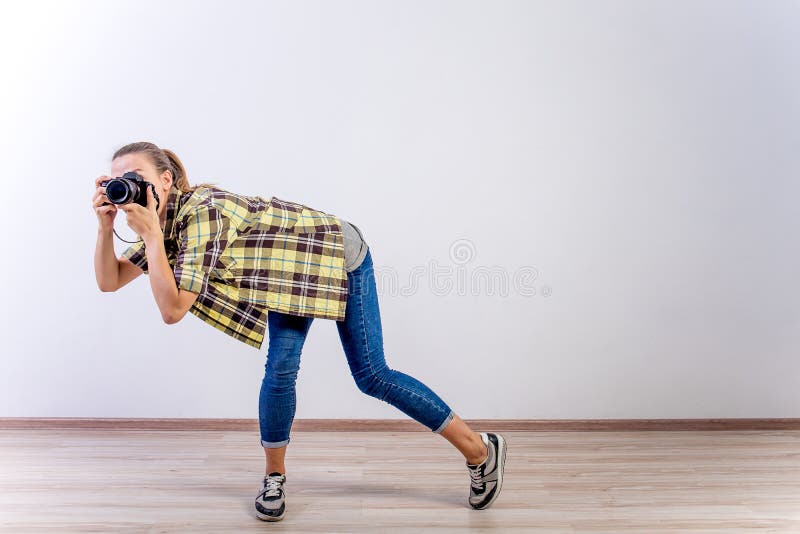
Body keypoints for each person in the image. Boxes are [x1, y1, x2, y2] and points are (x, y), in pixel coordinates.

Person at [92, 141, 507, 521]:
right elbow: (110, 280)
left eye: (135, 178)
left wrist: (150, 234)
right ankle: (274, 478)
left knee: (372, 375)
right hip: (283, 274)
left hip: (333, 251)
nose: (127, 189)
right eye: (118, 182)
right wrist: (105, 226)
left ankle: (481, 450)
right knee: (280, 370)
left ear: (165, 180)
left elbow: (173, 309)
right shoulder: (162, 226)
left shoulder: (201, 213)